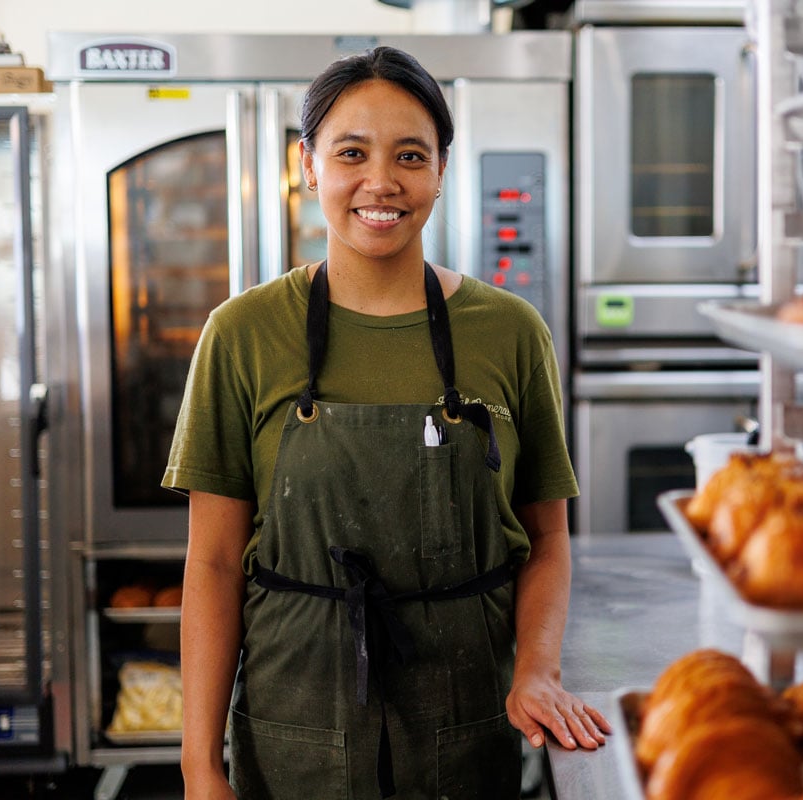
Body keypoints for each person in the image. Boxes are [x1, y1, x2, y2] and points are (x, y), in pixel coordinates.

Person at [163, 45, 609, 800]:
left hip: (467, 724)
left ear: (441, 171)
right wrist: (199, 765)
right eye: (351, 153)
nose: (381, 182)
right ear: (309, 166)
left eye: (410, 155)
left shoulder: (510, 332)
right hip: (293, 724)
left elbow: (549, 539)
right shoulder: (241, 334)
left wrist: (538, 670)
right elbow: (211, 564)